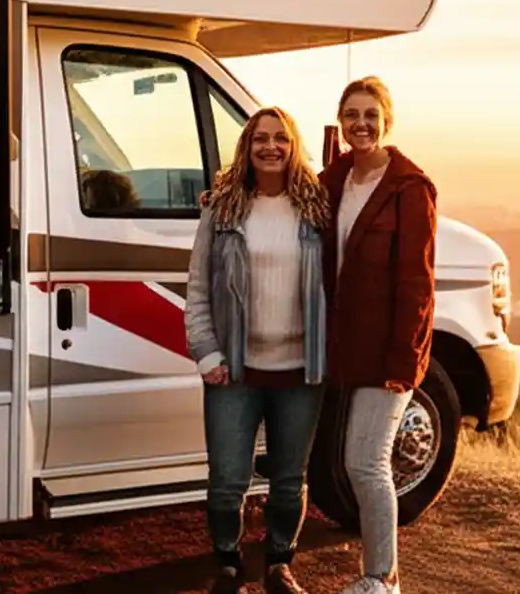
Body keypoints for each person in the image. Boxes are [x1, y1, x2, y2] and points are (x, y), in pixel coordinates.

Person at [184, 106, 332, 594]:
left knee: (290, 479)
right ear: (246, 148)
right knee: (228, 479)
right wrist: (207, 353)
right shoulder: (220, 209)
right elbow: (198, 289)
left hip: (300, 371)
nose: (271, 147)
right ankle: (227, 562)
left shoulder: (316, 210)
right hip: (235, 370)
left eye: (281, 139)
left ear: (294, 147)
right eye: (260, 139)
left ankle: (278, 564)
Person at [319, 76, 437, 594]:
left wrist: (402, 364)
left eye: (371, 114)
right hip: (340, 348)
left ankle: (381, 579)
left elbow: (418, 283)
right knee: (344, 462)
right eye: (352, 115)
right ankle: (380, 576)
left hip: (387, 354)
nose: (360, 124)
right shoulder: (335, 177)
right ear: (340, 122)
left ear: (386, 121)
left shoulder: (410, 188)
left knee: (365, 464)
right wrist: (223, 193)